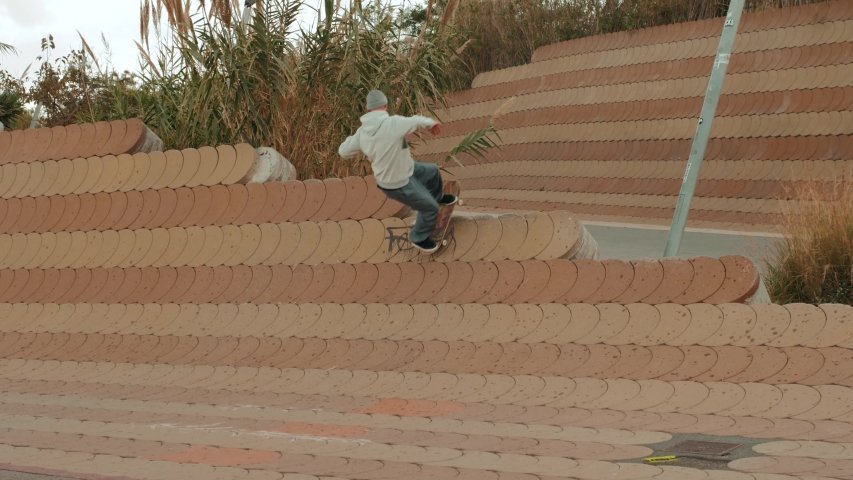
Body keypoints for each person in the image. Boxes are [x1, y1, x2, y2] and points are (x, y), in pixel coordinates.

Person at [338, 90, 457, 253]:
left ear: (369, 109)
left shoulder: (361, 133)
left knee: (432, 171)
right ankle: (419, 238)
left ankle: (438, 197)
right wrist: (431, 124)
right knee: (430, 208)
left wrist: (352, 142)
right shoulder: (392, 123)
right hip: (398, 184)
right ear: (385, 105)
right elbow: (415, 121)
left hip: (405, 171)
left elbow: (344, 152)